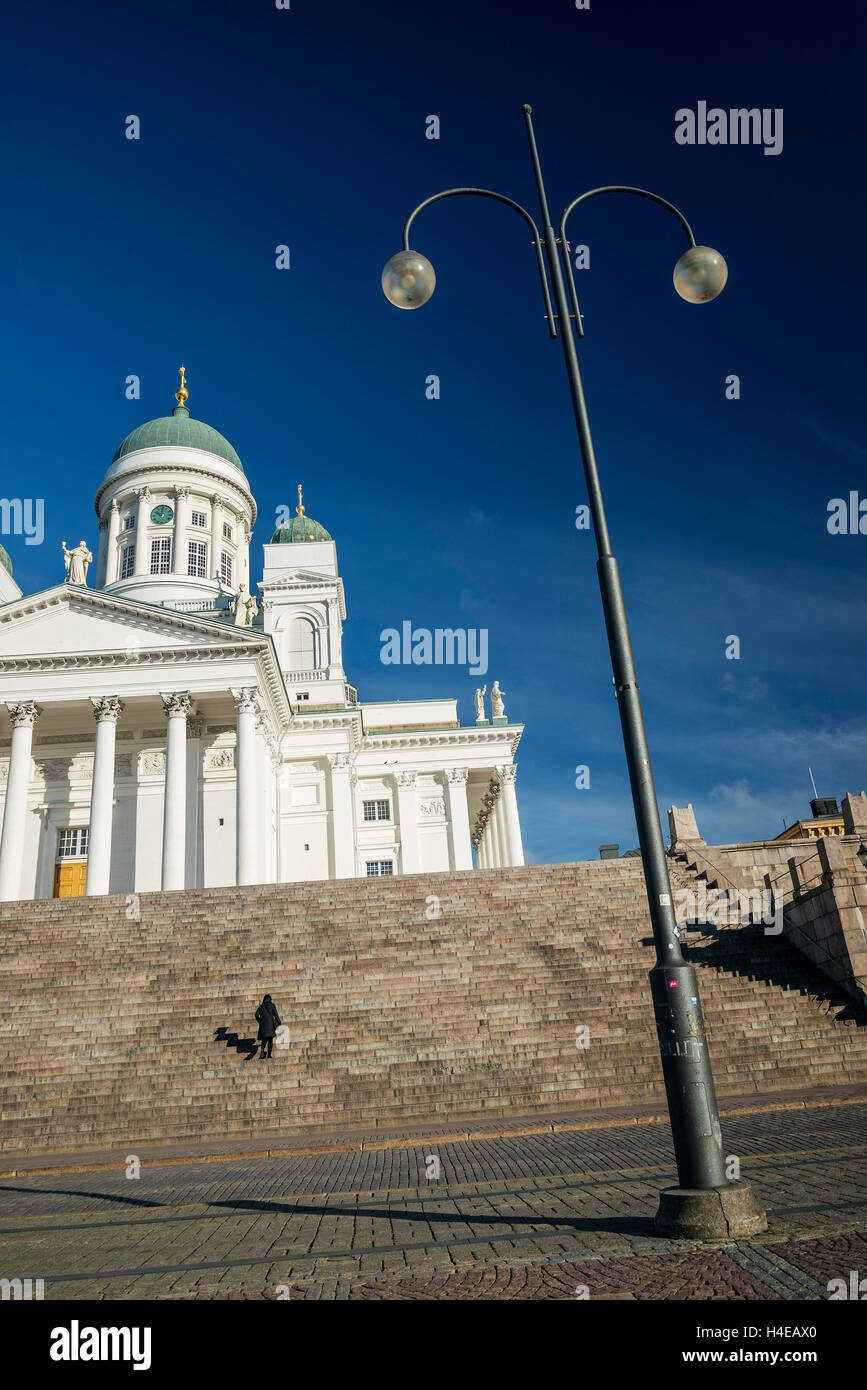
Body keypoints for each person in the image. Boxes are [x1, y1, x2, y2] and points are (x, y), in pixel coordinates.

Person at [255, 993, 281, 1059]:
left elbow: (256, 1015)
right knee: (270, 1040)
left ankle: (262, 1050)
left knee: (264, 1040)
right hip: (270, 1026)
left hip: (263, 1026)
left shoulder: (261, 1006)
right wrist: (279, 1023)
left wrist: (260, 1021)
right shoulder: (272, 1005)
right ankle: (269, 1054)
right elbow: (276, 1015)